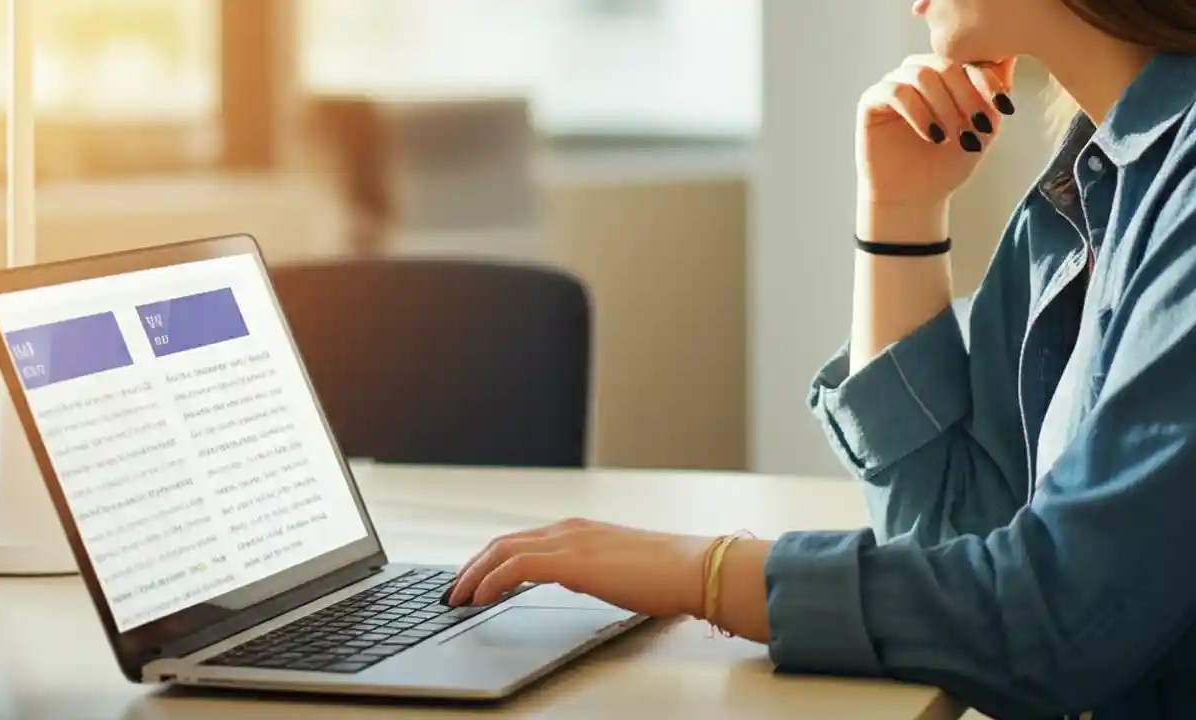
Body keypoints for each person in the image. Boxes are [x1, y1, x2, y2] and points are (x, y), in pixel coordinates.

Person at [445, 1, 1196, 717]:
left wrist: (699, 572)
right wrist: (899, 215)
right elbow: (949, 545)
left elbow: (1051, 623)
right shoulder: (1091, 192)